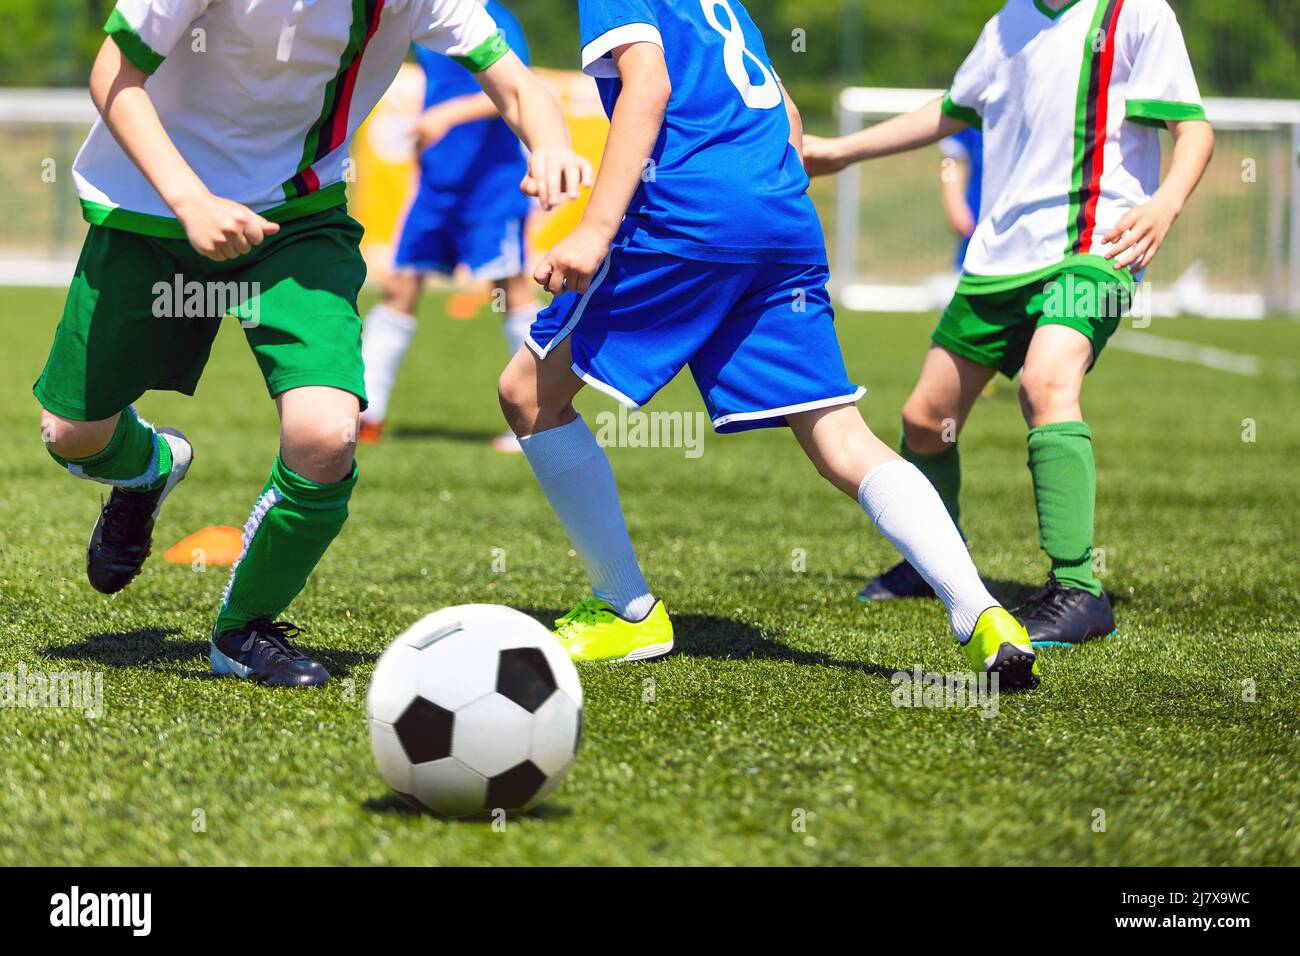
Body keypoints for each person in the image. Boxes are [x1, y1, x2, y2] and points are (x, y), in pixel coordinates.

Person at [35, 0, 589, 686]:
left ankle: (244, 630)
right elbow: (115, 73)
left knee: (326, 436)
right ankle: (149, 467)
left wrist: (551, 141)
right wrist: (190, 200)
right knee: (71, 434)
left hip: (298, 224)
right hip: (151, 210)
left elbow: (514, 78)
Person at [495, 0, 1040, 689]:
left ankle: (628, 612)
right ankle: (983, 614)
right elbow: (786, 114)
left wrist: (595, 229)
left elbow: (649, 86)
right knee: (839, 435)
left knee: (527, 393)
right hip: (780, 212)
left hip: (688, 215)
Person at [804, 0, 1214, 646]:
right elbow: (949, 110)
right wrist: (841, 152)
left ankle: (1079, 588)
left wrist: (1165, 203)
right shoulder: (1006, 23)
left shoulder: (1135, 13)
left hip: (1094, 250)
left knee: (1046, 383)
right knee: (923, 418)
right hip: (1000, 260)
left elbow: (1194, 131)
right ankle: (932, 558)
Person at [358, 0, 537, 453]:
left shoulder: (495, 18)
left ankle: (538, 416)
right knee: (399, 287)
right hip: (438, 184)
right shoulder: (425, 16)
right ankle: (365, 414)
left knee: (510, 290)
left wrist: (445, 116)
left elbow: (520, 90)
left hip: (491, 185)